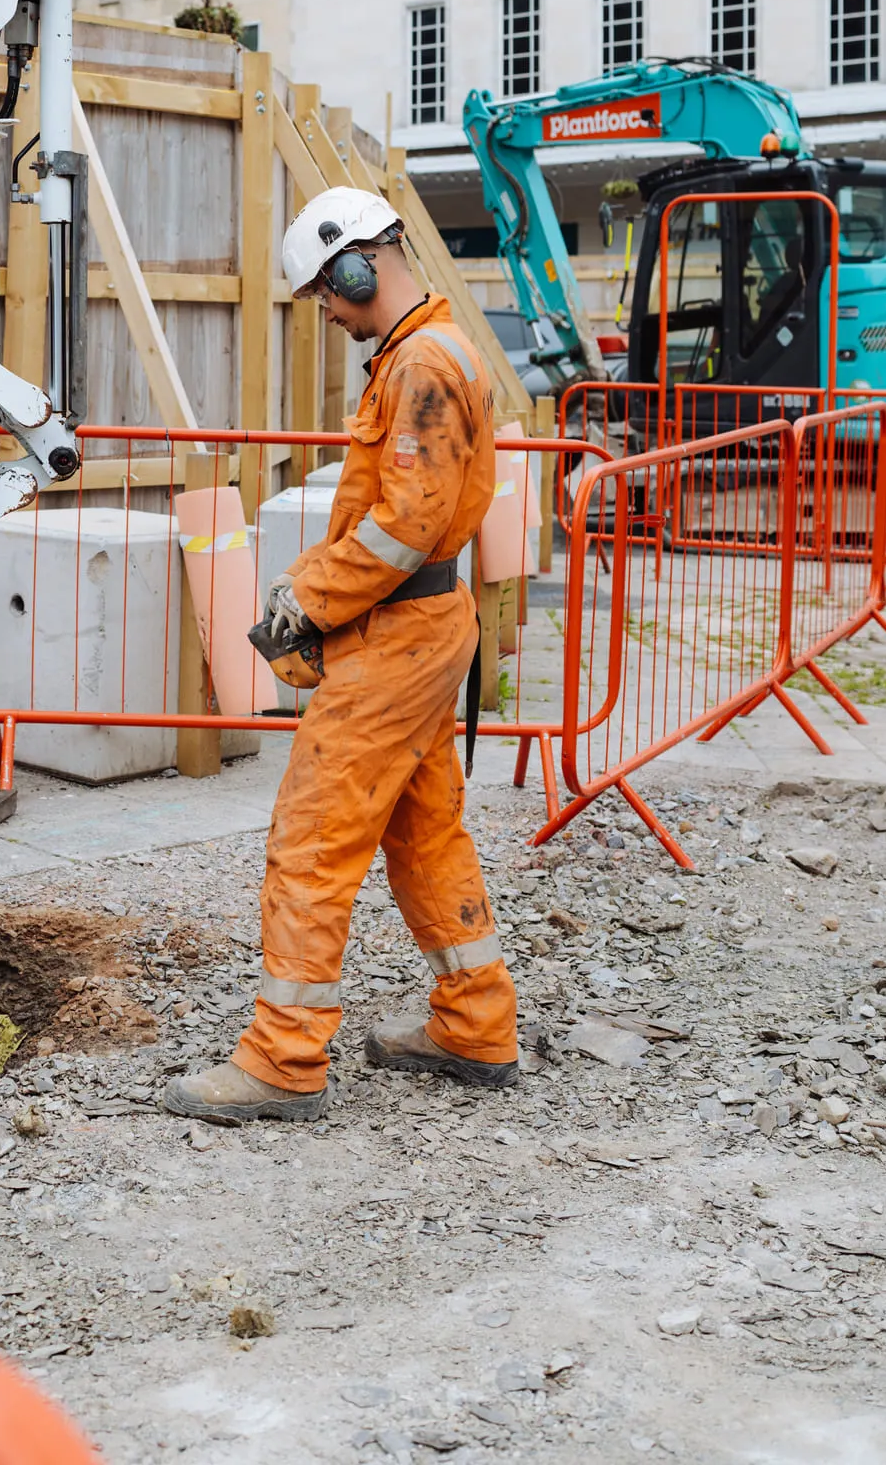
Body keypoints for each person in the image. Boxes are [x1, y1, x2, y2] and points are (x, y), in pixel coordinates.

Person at [163, 186, 518, 1124]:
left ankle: (282, 1061)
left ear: (359, 264)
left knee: (312, 842)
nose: (326, 308)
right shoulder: (414, 358)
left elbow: (408, 526)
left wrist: (306, 599)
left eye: (327, 288)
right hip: (413, 631)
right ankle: (474, 1024)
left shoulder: (424, 370)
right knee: (423, 830)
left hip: (398, 639)